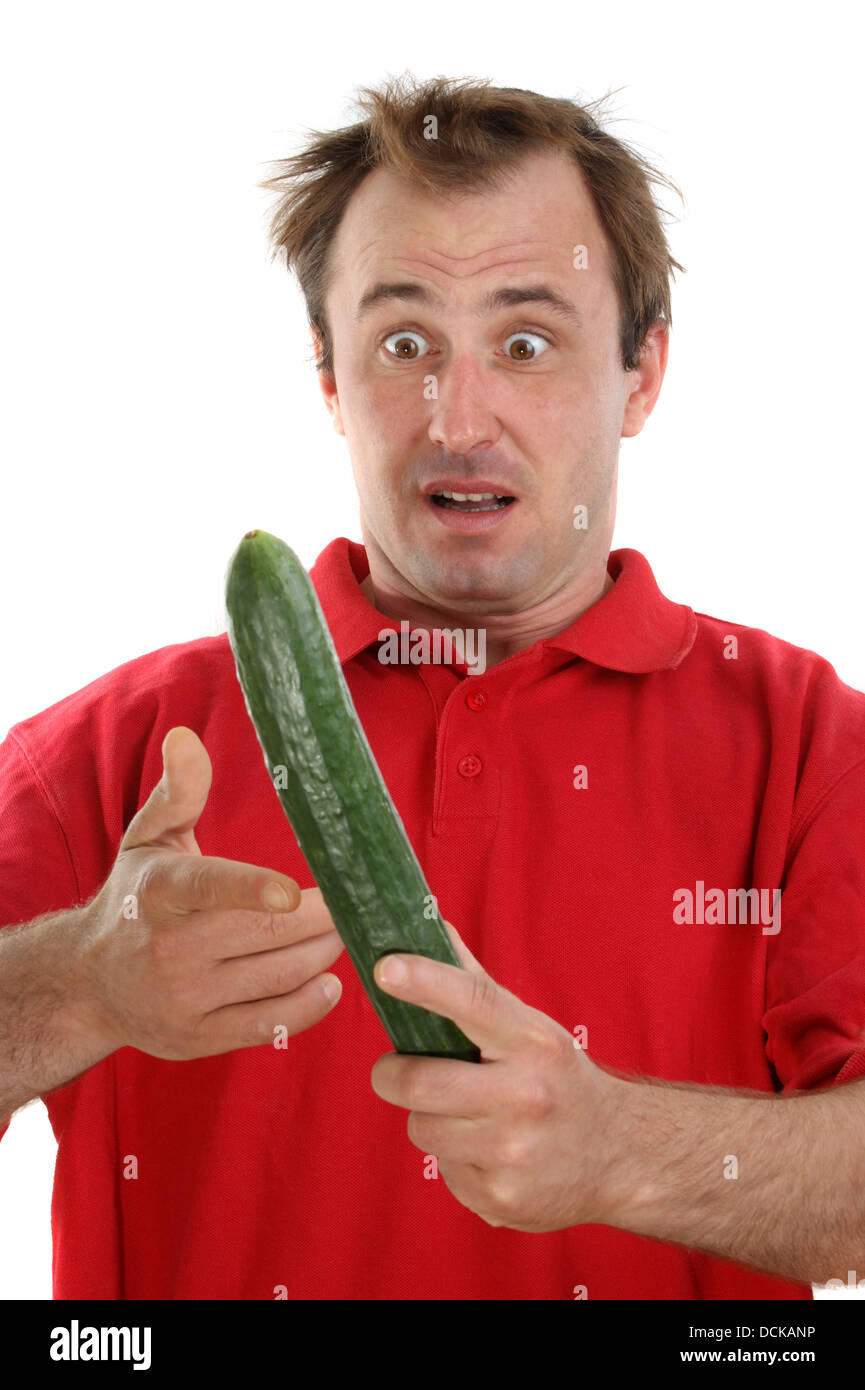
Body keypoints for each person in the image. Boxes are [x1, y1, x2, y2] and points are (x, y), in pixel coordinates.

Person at [1, 74, 864, 1302]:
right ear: (329, 376)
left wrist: (621, 1149)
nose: (460, 415)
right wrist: (78, 978)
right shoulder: (108, 751)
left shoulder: (813, 745)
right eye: (404, 342)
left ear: (640, 374)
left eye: (527, 339)